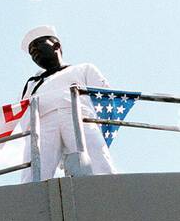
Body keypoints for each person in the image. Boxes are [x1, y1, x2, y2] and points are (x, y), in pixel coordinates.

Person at [18, 27, 117, 181]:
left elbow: (105, 98)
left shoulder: (83, 69)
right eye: (31, 51)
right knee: (34, 173)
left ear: (56, 46)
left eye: (38, 44)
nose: (34, 51)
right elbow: (23, 112)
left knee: (97, 163)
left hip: (79, 117)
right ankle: (30, 198)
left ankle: (109, 190)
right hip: (43, 124)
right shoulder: (32, 84)